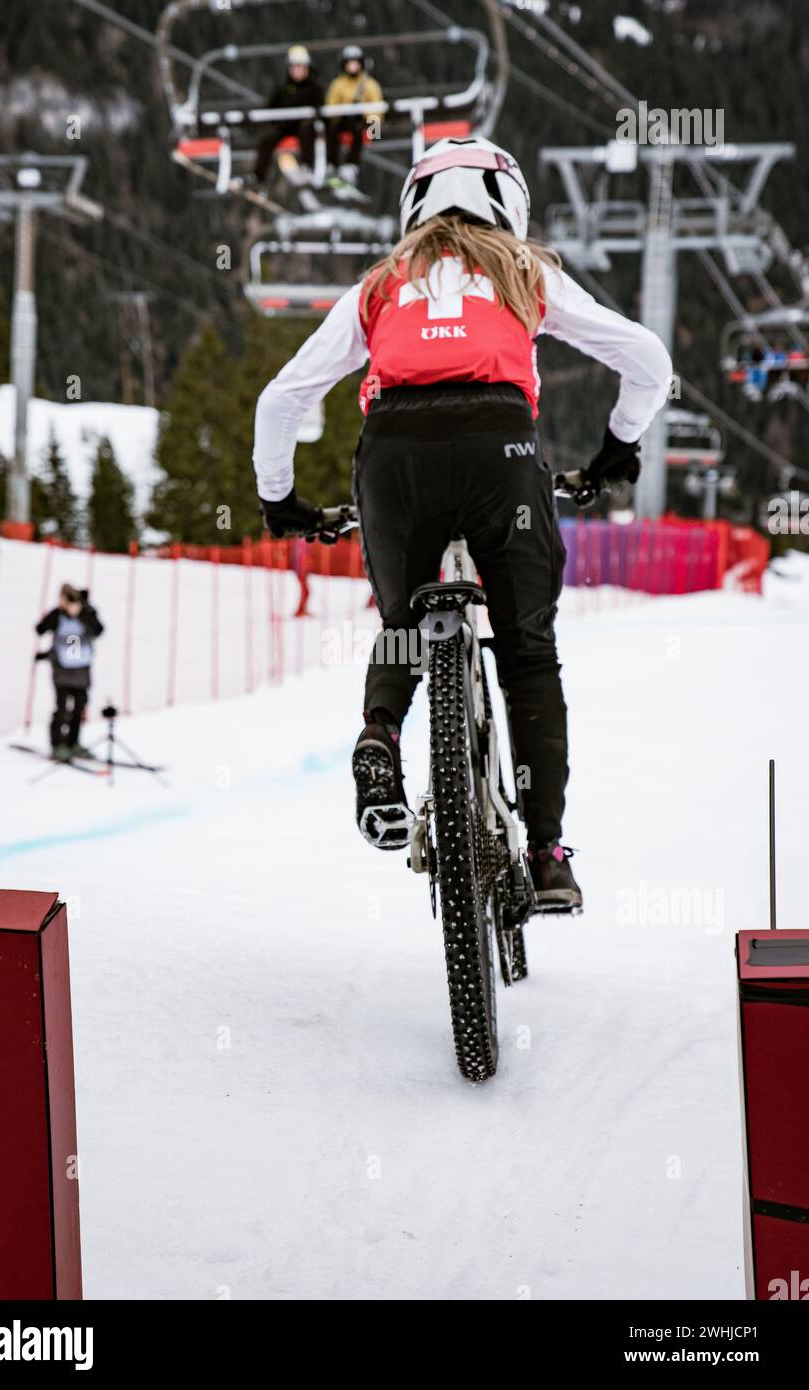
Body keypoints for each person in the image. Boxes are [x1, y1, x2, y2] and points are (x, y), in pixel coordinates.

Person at [252, 135, 672, 909]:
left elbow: (281, 399)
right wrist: (616, 449)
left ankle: (380, 733)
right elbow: (646, 356)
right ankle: (546, 854)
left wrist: (281, 501)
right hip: (498, 447)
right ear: (509, 204)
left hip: (393, 457)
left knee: (402, 623)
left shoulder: (379, 285)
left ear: (412, 205)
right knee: (525, 650)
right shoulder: (522, 271)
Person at [36, 583, 104, 760]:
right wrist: (58, 612)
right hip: (62, 669)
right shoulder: (57, 615)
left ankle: (73, 743)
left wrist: (80, 613)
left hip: (81, 669)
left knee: (79, 707)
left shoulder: (87, 613)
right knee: (61, 708)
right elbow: (40, 629)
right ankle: (58, 745)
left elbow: (99, 630)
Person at [252, 45, 324, 185]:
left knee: (307, 127)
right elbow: (269, 109)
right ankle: (258, 176)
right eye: (294, 67)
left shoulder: (315, 87)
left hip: (369, 123)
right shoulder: (283, 89)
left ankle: (309, 167)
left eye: (300, 66)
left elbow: (322, 108)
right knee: (269, 136)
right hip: (285, 126)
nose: (297, 70)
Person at [324, 44, 383, 183]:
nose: (352, 67)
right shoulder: (338, 84)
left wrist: (362, 111)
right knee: (332, 130)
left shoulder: (369, 85)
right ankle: (332, 164)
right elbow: (330, 107)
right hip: (343, 122)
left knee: (357, 128)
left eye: (355, 63)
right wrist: (345, 110)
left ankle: (351, 166)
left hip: (365, 124)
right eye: (349, 63)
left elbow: (378, 112)